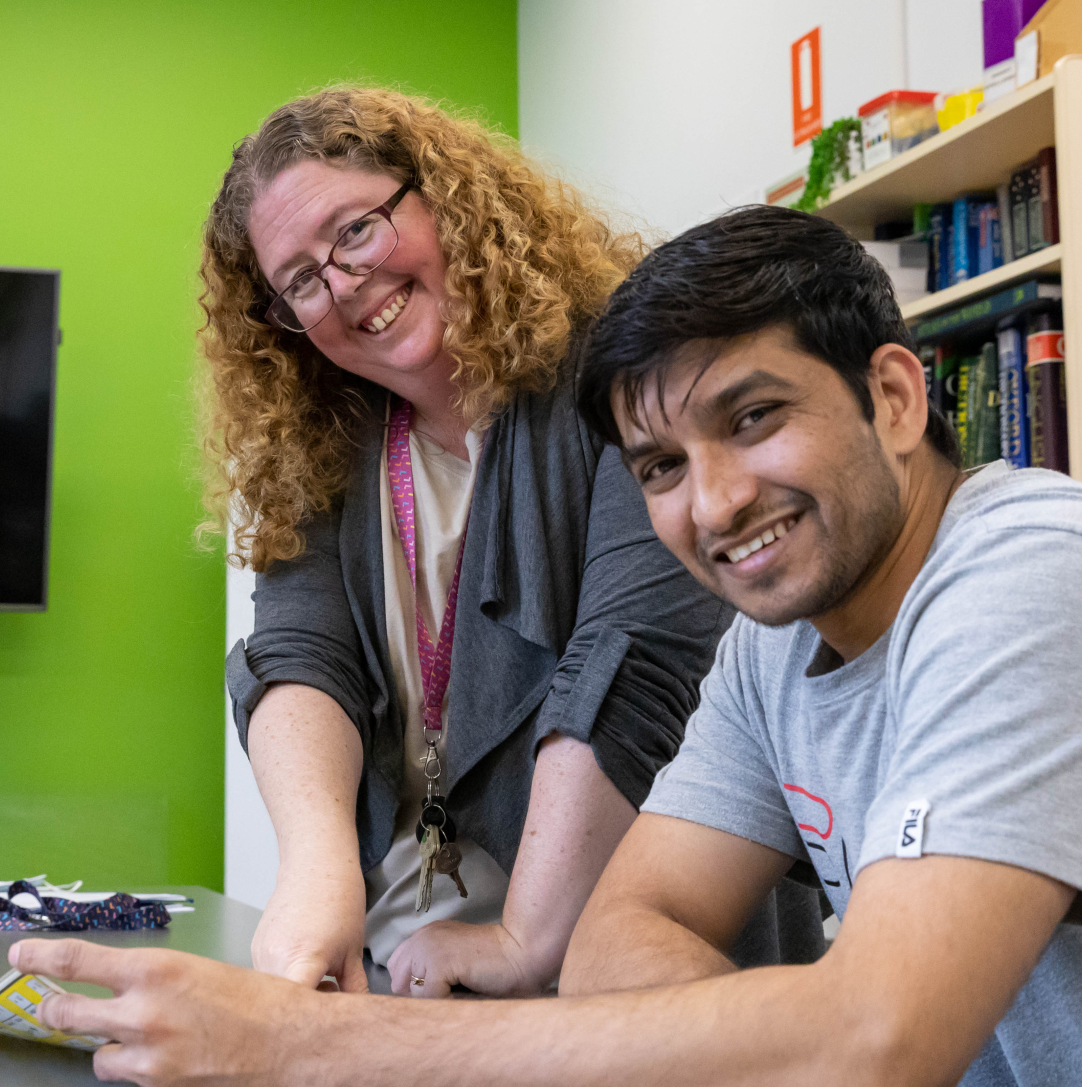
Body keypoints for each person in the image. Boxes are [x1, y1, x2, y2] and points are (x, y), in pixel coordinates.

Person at [11, 203, 1082, 1086]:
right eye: (658, 465)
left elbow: (878, 1035)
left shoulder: (1026, 569)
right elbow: (620, 935)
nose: (713, 504)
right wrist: (795, 1038)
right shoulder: (771, 652)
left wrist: (312, 1046)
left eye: (752, 417)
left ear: (892, 397)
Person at [200, 88, 822, 999]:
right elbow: (301, 655)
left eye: (356, 231)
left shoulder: (623, 370)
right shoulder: (319, 434)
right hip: (410, 971)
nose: (340, 287)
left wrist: (525, 936)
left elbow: (637, 657)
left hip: (631, 963)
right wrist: (316, 872)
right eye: (298, 281)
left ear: (444, 197)